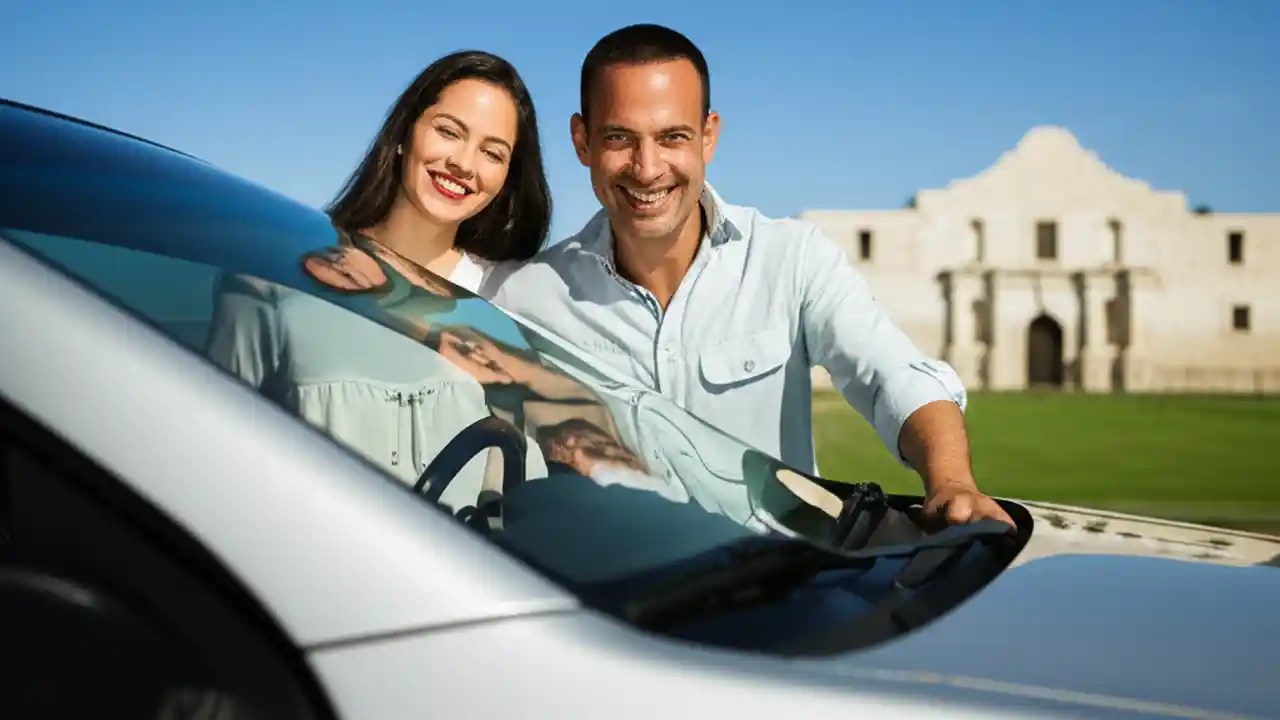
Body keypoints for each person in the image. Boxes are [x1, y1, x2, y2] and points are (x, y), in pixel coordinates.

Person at [484, 24, 1015, 531]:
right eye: (620, 138)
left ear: (708, 137)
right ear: (582, 141)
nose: (647, 168)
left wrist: (950, 482)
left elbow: (891, 375)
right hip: (613, 608)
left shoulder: (792, 258)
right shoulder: (528, 298)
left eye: (673, 137)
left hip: (781, 599)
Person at [204, 50, 554, 507]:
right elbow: (210, 461)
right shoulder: (277, 284)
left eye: (492, 153)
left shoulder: (507, 306)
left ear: (507, 177)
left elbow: (517, 499)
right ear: (405, 133)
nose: (464, 164)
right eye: (449, 132)